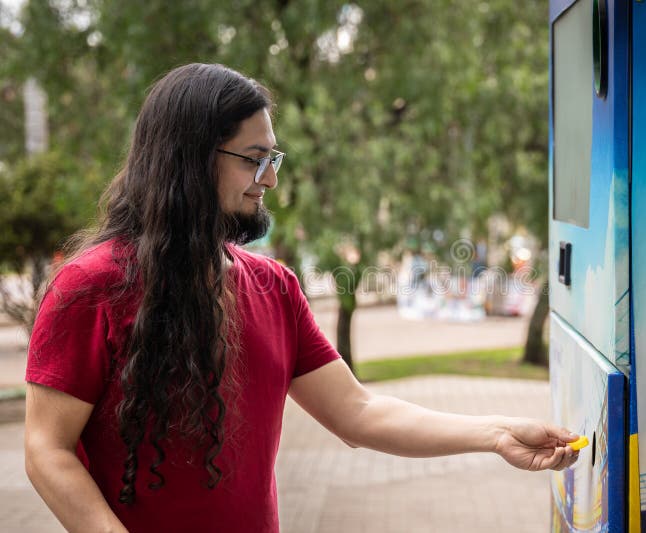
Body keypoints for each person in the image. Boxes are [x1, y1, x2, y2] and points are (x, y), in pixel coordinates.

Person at [24, 63, 580, 533]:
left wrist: (498, 433)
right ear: (188, 157)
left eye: (274, 158)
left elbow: (358, 413)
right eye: (252, 157)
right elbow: (47, 450)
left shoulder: (274, 288)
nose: (268, 178)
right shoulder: (90, 287)